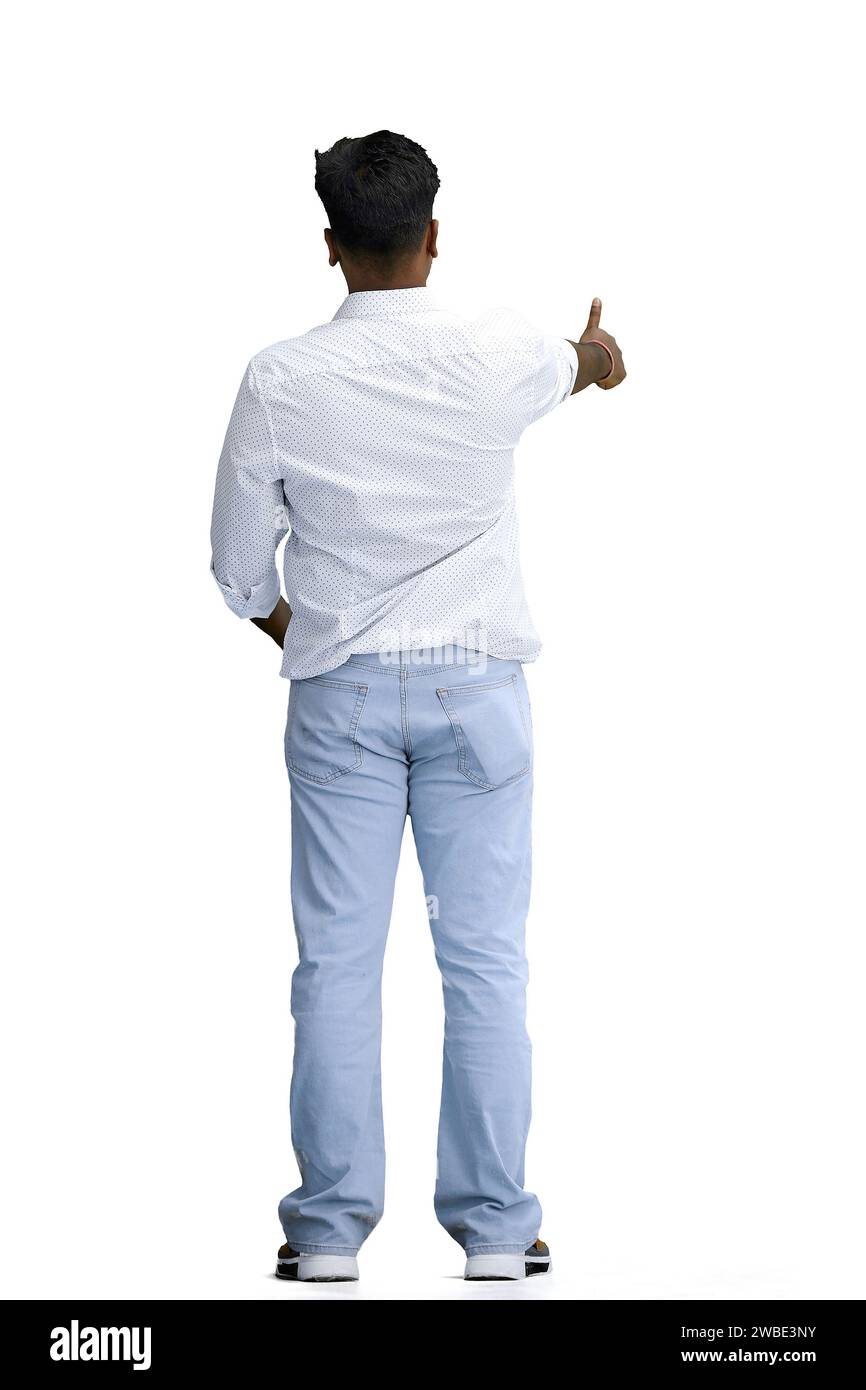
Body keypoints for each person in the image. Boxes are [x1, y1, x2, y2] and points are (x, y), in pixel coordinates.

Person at [210, 130, 626, 1283]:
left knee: (334, 968)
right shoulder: (499, 350)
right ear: (433, 237)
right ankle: (496, 1231)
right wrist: (597, 354)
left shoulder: (281, 377)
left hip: (337, 700)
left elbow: (240, 567)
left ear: (330, 246)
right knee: (485, 961)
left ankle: (329, 1235)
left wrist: (301, 633)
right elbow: (581, 360)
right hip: (478, 695)